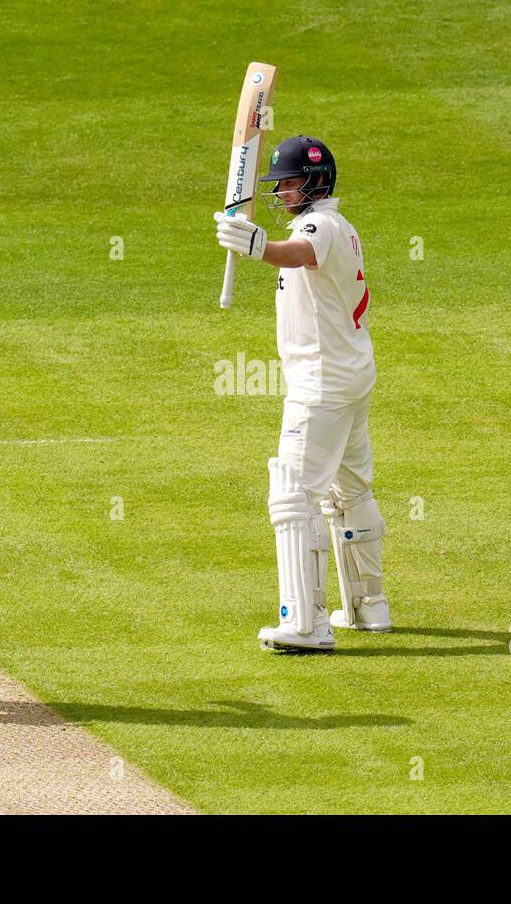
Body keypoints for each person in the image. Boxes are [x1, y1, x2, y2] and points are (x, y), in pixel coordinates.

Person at [214, 136, 390, 652]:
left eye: (289, 183)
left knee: (294, 493)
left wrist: (256, 247)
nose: (282, 192)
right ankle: (368, 607)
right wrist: (259, 243)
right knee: (351, 490)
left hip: (322, 383)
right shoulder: (342, 226)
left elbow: (299, 253)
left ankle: (304, 623)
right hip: (350, 373)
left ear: (315, 182)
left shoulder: (320, 226)